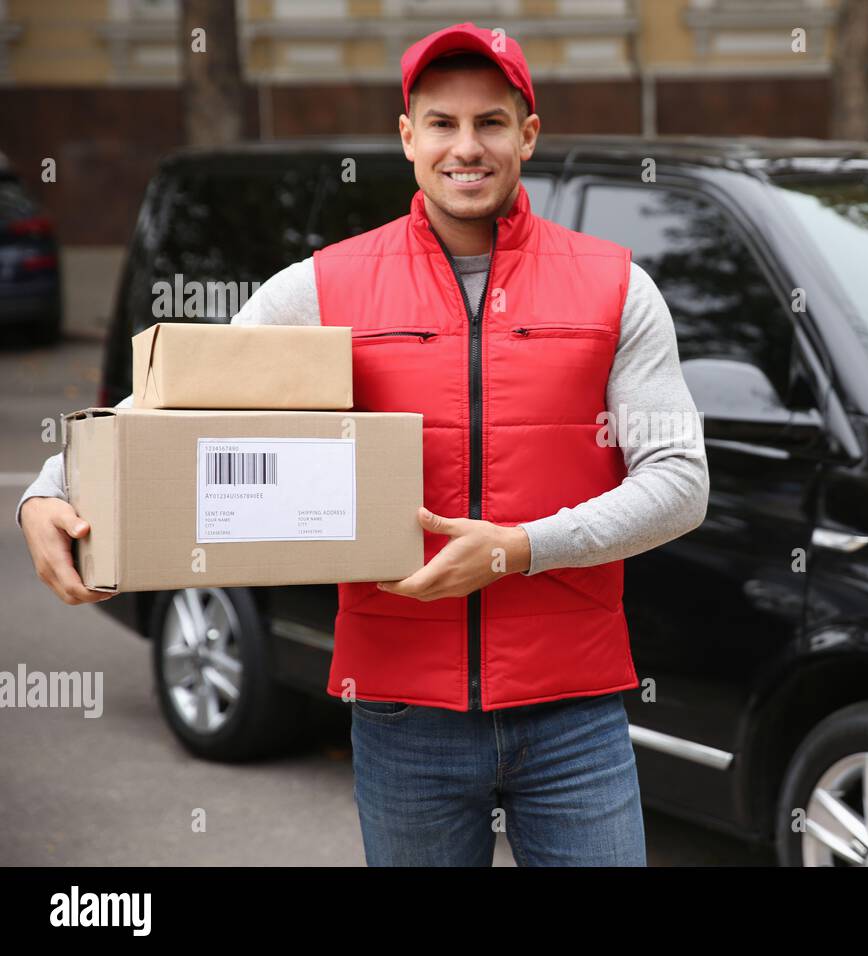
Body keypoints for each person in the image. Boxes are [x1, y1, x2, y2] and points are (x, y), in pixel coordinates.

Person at [17, 21, 709, 867]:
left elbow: (680, 481)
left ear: (527, 136)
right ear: (408, 136)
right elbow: (175, 401)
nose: (467, 146)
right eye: (442, 123)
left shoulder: (617, 287)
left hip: (573, 713)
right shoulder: (325, 285)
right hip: (400, 714)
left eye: (491, 122)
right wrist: (51, 485)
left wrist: (520, 550)